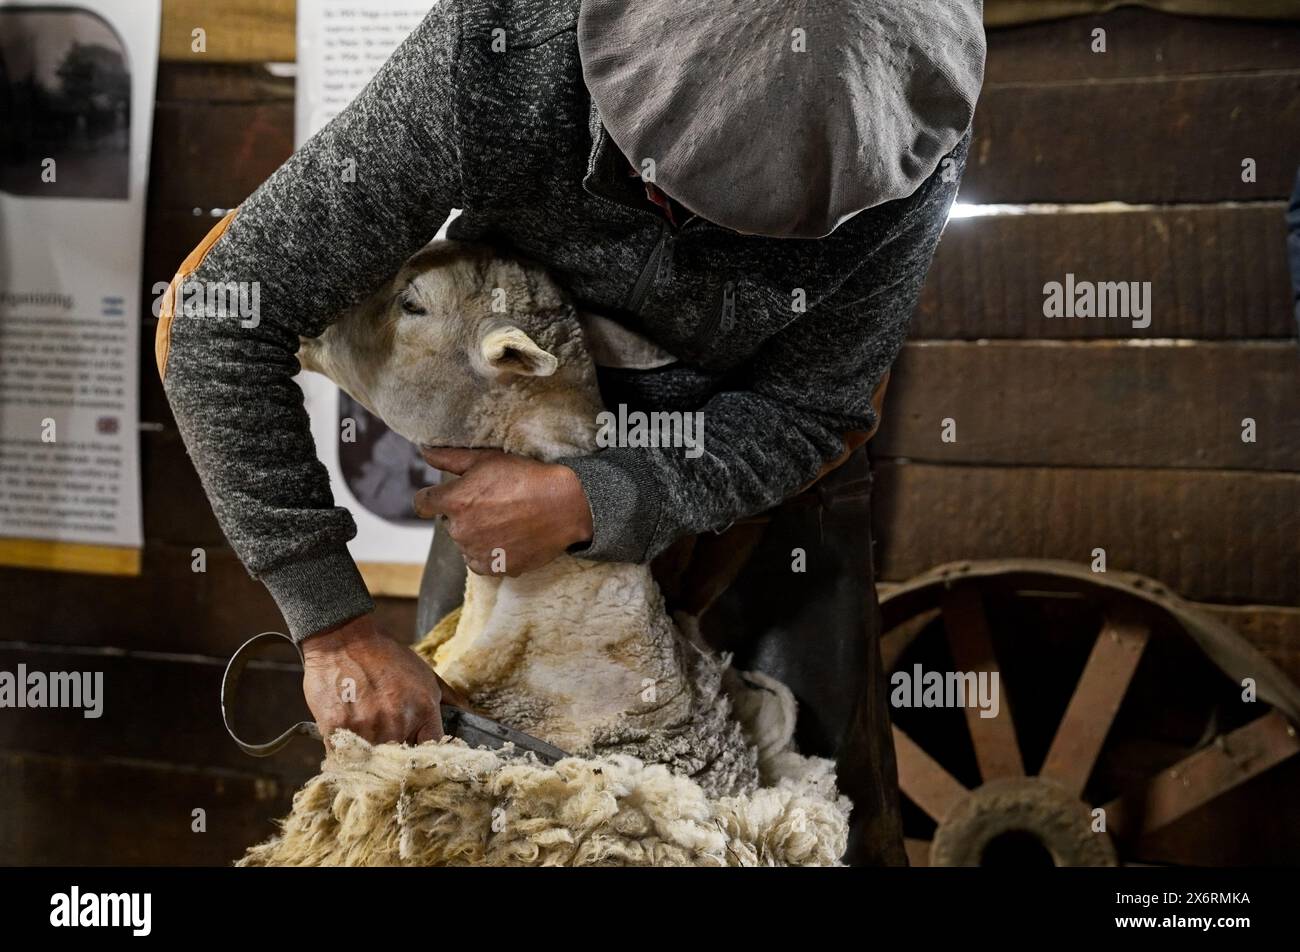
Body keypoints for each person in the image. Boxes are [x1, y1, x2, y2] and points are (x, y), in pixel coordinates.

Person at [156, 0, 986, 864]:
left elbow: (814, 408)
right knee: (456, 815)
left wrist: (597, 497)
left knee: (808, 823)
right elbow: (221, 316)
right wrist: (335, 628)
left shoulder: (911, 123)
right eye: (664, 188)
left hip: (762, 490)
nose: (685, 227)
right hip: (512, 475)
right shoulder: (500, 48)